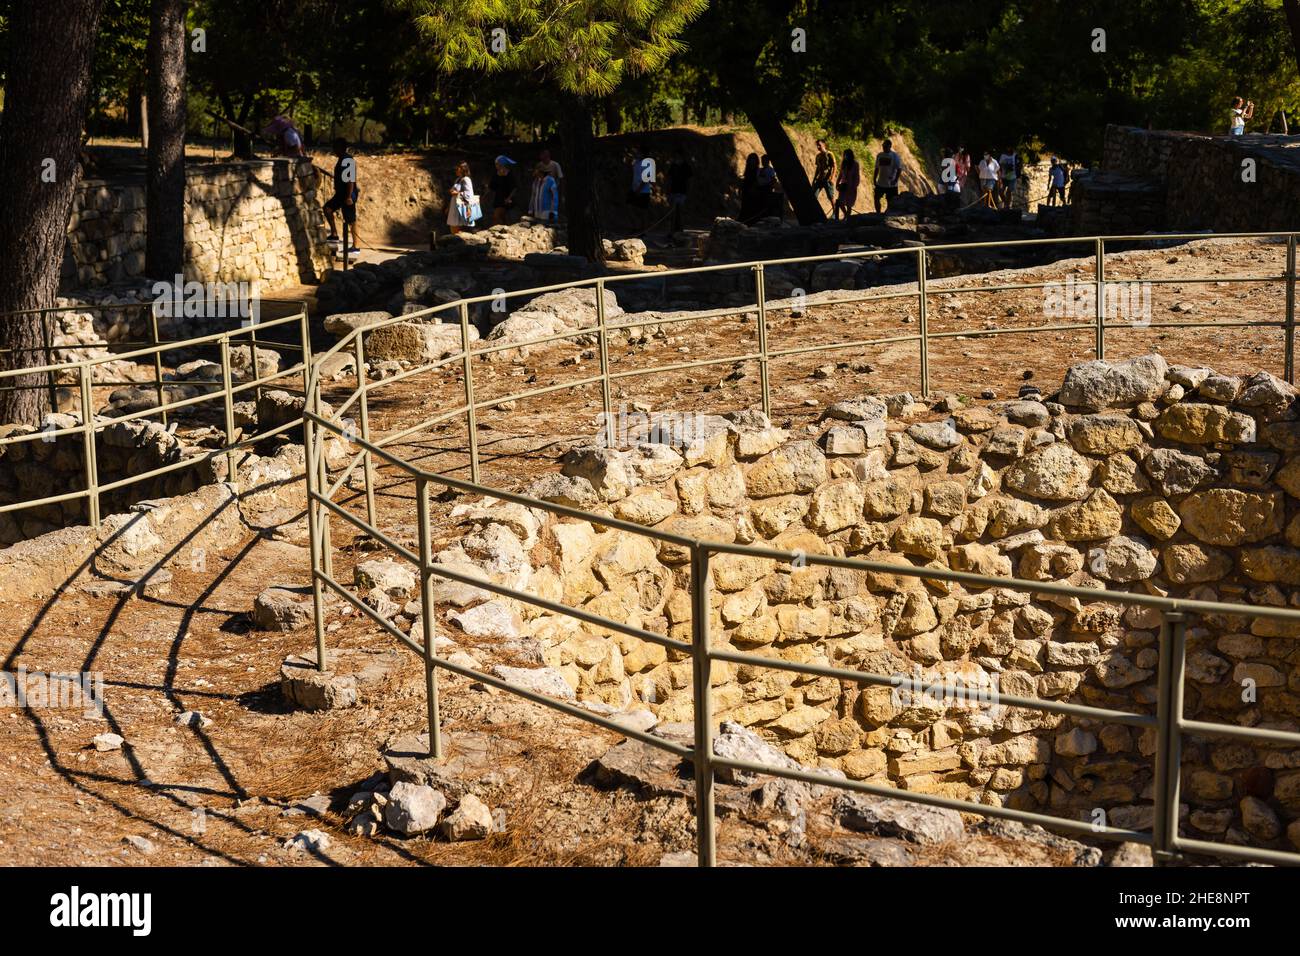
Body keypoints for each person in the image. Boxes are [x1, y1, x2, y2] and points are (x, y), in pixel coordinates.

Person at [322, 138, 359, 253]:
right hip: (341, 193)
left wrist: (348, 197)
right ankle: (334, 234)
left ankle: (355, 246)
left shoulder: (347, 160)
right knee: (327, 209)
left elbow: (350, 180)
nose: (333, 149)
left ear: (340, 147)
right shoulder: (343, 159)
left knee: (351, 220)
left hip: (348, 194)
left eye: (335, 147)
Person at [628, 143, 655, 232]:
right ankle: (636, 227)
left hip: (643, 190)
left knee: (643, 211)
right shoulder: (636, 161)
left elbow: (647, 178)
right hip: (634, 188)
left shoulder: (648, 163)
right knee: (631, 207)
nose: (637, 153)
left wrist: (639, 189)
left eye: (639, 151)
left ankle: (644, 230)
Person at [666, 148, 693, 237]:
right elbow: (669, 179)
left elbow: (689, 180)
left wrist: (688, 192)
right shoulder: (673, 166)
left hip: (682, 192)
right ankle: (672, 231)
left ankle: (680, 230)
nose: (676, 158)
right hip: (673, 191)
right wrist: (668, 191)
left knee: (680, 212)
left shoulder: (686, 167)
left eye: (678, 156)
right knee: (672, 212)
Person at [446, 161, 479, 234]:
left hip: (461, 208)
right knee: (453, 228)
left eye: (457, 168)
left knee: (457, 230)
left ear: (462, 169)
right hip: (454, 207)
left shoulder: (466, 179)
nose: (455, 170)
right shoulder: (458, 179)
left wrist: (457, 193)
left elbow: (469, 194)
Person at [873, 137, 901, 213]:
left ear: (890, 146)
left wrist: (895, 180)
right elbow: (877, 168)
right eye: (883, 146)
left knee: (891, 201)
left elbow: (899, 169)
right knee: (876, 198)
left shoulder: (895, 156)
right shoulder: (879, 155)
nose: (884, 148)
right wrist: (874, 179)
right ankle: (878, 213)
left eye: (885, 146)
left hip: (891, 184)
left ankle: (888, 213)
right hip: (880, 182)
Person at [488, 155, 518, 225]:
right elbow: (492, 186)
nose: (496, 166)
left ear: (501, 164)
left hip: (507, 199)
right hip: (498, 199)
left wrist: (509, 198)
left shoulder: (510, 174)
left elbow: (515, 188)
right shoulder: (496, 174)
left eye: (497, 164)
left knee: (498, 217)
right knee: (501, 218)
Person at [833, 148, 859, 220]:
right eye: (844, 155)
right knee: (840, 202)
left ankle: (847, 218)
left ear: (850, 155)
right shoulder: (843, 163)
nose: (845, 156)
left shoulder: (855, 164)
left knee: (849, 204)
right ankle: (846, 215)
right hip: (843, 186)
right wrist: (837, 183)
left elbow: (857, 176)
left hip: (851, 187)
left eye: (847, 155)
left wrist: (855, 186)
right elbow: (840, 174)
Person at [811, 139, 836, 211]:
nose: (818, 147)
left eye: (819, 145)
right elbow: (817, 168)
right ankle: (814, 211)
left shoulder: (829, 154)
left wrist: (832, 178)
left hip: (827, 179)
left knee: (830, 197)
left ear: (824, 145)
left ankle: (835, 212)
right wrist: (814, 179)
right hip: (819, 179)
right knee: (814, 195)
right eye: (817, 145)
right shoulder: (818, 156)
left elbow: (834, 166)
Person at [538, 148, 564, 215]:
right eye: (542, 157)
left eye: (544, 157)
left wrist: (557, 188)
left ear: (548, 156)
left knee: (554, 205)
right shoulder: (539, 165)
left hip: (553, 188)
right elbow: (537, 177)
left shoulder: (555, 165)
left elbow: (560, 177)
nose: (542, 159)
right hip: (543, 189)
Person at [739, 152, 761, 222]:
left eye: (753, 160)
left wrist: (754, 188)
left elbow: (757, 180)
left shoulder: (757, 170)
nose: (752, 161)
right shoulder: (748, 169)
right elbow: (745, 179)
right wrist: (741, 188)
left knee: (751, 206)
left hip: (752, 190)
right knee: (744, 205)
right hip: (746, 189)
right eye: (751, 159)